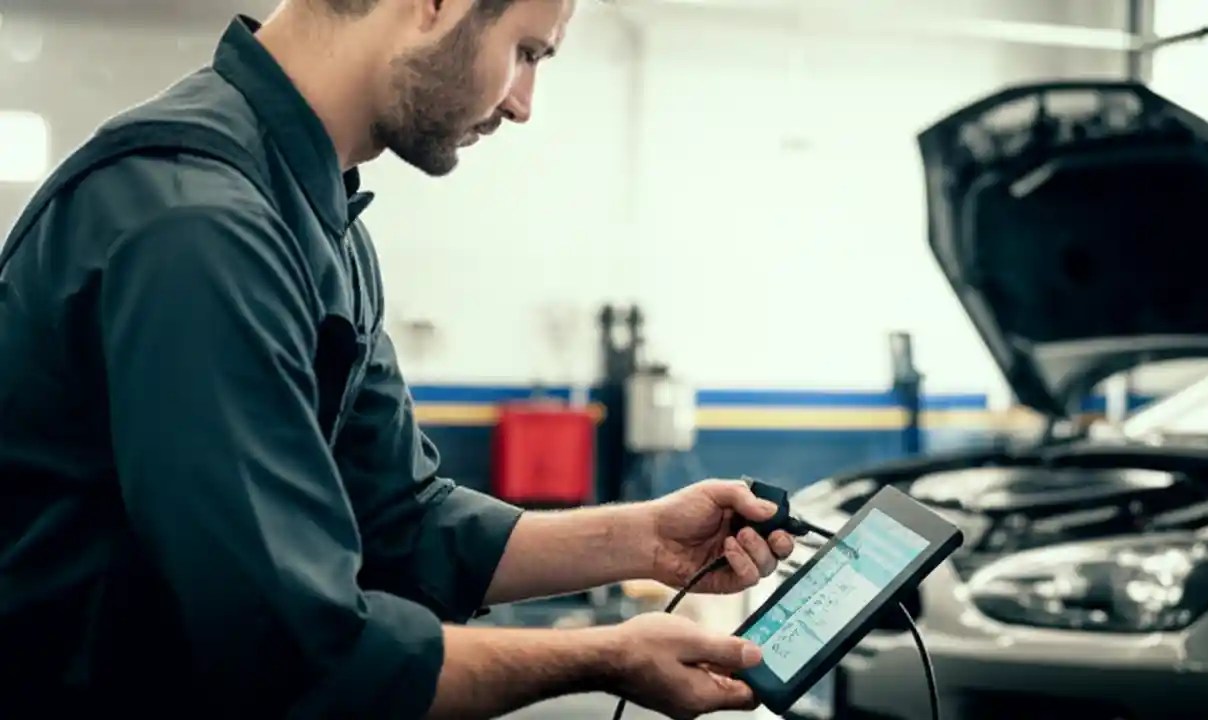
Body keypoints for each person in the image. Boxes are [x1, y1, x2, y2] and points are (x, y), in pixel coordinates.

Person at [0, 0, 799, 718]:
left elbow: (403, 522)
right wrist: (605, 656)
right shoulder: (202, 227)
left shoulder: (314, 218)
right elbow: (293, 655)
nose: (523, 104)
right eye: (527, 51)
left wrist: (646, 540)